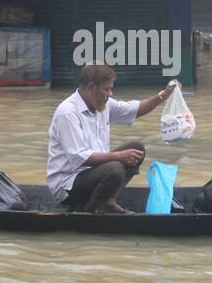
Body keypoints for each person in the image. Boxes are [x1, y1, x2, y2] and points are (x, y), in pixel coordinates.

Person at [48, 64, 177, 213]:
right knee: (115, 168)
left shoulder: (103, 104)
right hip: (67, 184)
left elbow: (135, 109)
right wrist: (119, 156)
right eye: (106, 89)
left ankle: (107, 201)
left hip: (95, 174)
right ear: (91, 88)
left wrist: (163, 95)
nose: (110, 94)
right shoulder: (68, 112)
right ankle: (89, 210)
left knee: (136, 149)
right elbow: (80, 157)